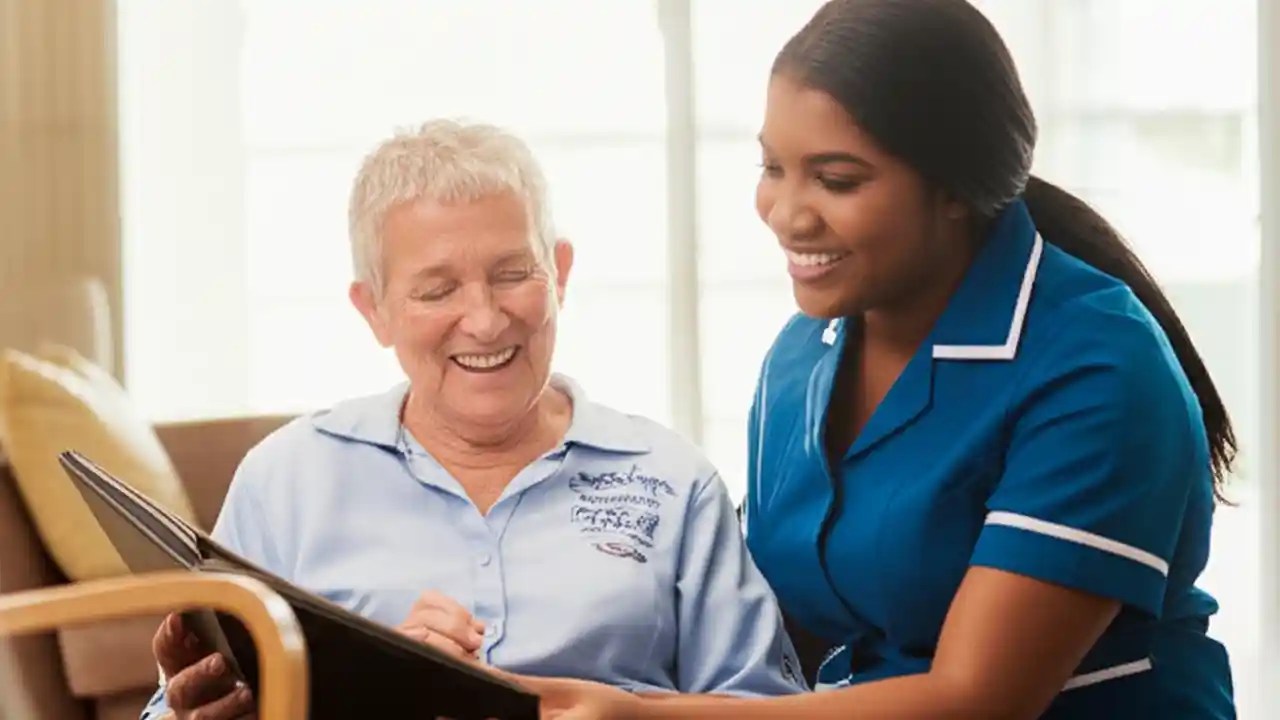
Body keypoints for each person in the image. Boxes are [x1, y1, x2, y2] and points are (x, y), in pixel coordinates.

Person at [524, 0, 1238, 718]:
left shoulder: (1098, 369)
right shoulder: (801, 359)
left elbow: (978, 701)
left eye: (836, 180)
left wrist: (634, 714)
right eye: (773, 167)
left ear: (955, 186)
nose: (786, 212)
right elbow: (761, 638)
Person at [140, 120, 806, 719]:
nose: (486, 320)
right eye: (437, 291)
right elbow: (178, 708)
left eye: (513, 273)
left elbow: (763, 709)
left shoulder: (674, 480)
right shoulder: (286, 480)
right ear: (373, 309)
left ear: (560, 273)